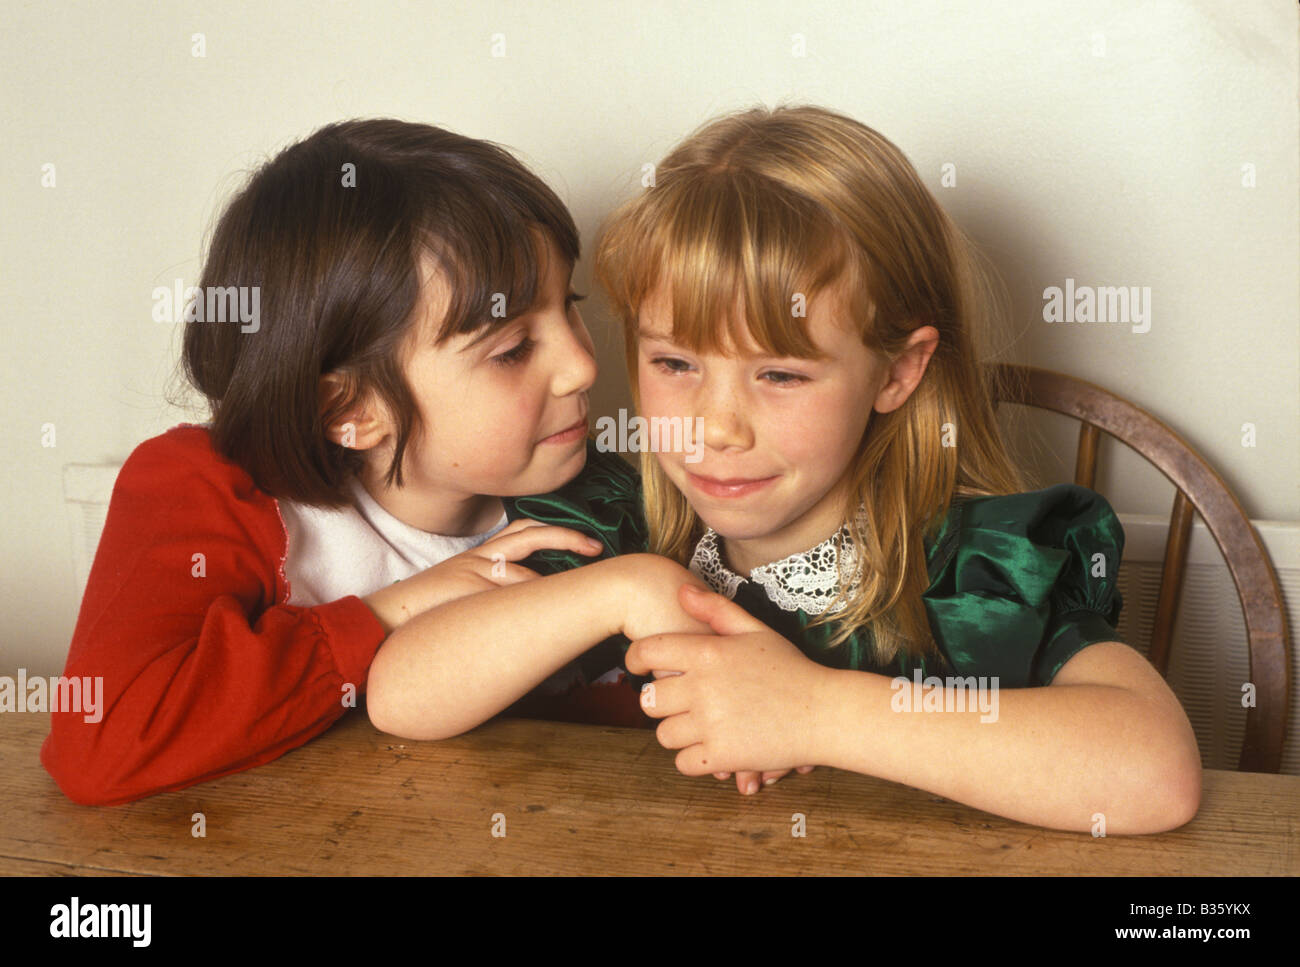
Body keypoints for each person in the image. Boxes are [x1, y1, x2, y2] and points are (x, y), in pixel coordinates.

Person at [371, 104, 1201, 835]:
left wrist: (816, 712)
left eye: (780, 374)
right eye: (676, 363)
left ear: (897, 372)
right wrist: (622, 588)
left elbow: (1155, 773)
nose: (717, 427)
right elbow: (401, 694)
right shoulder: (618, 530)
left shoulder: (972, 569)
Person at [40, 119, 679, 806]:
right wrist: (390, 611)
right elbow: (101, 742)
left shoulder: (608, 507)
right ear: (349, 411)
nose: (583, 366)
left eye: (570, 307)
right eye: (514, 347)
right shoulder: (205, 489)